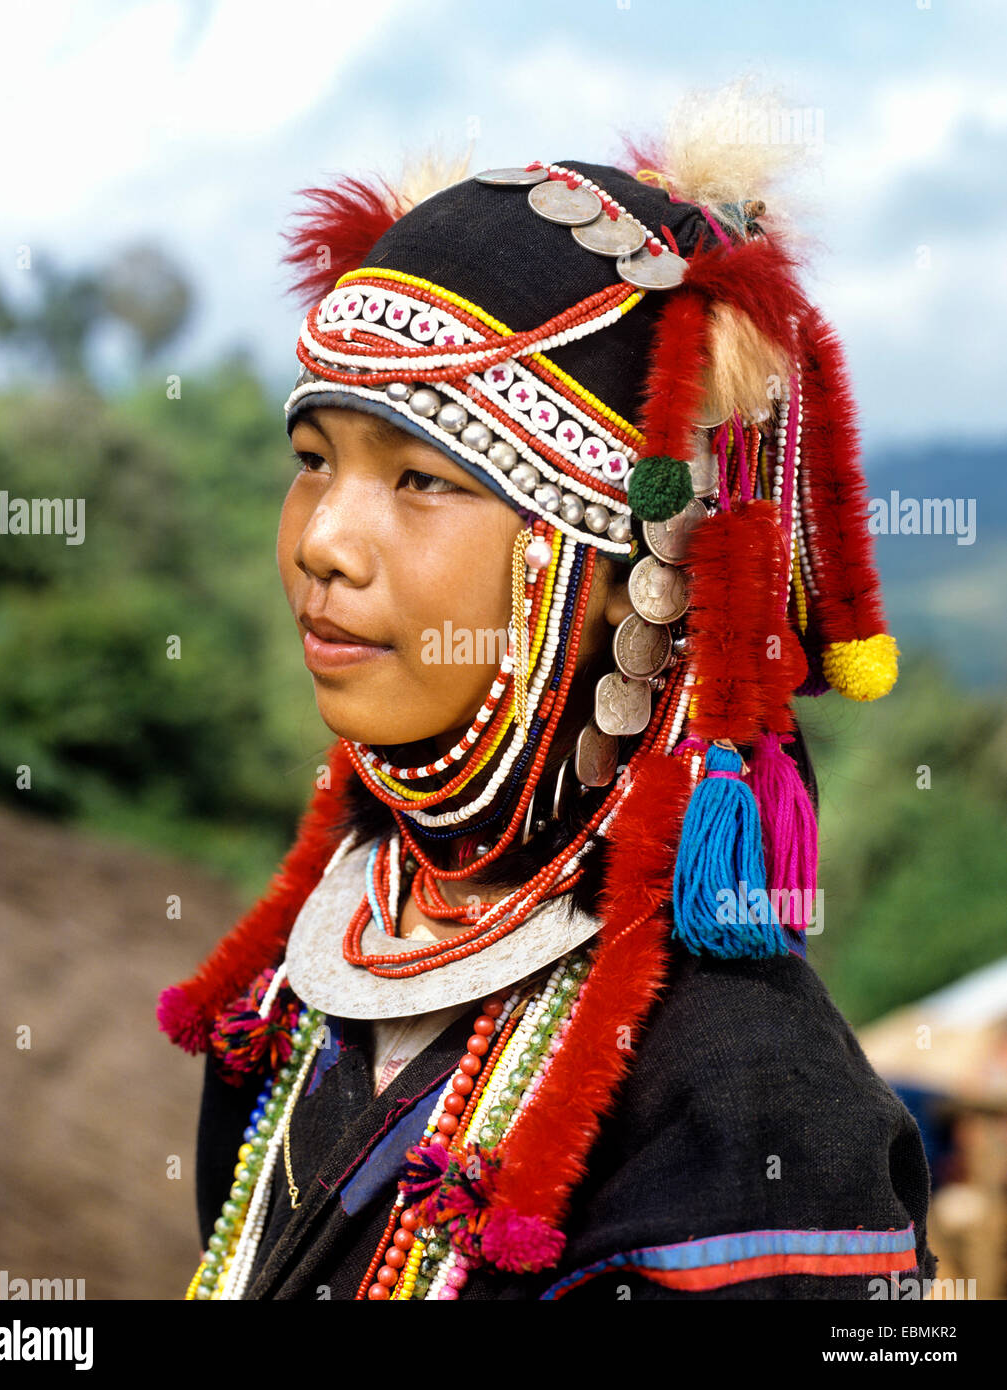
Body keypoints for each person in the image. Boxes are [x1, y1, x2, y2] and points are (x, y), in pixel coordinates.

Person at [158, 94, 937, 1300]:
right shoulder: (299, 979)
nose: (325, 541)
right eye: (314, 460)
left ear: (624, 573)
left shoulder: (752, 1105)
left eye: (421, 479)